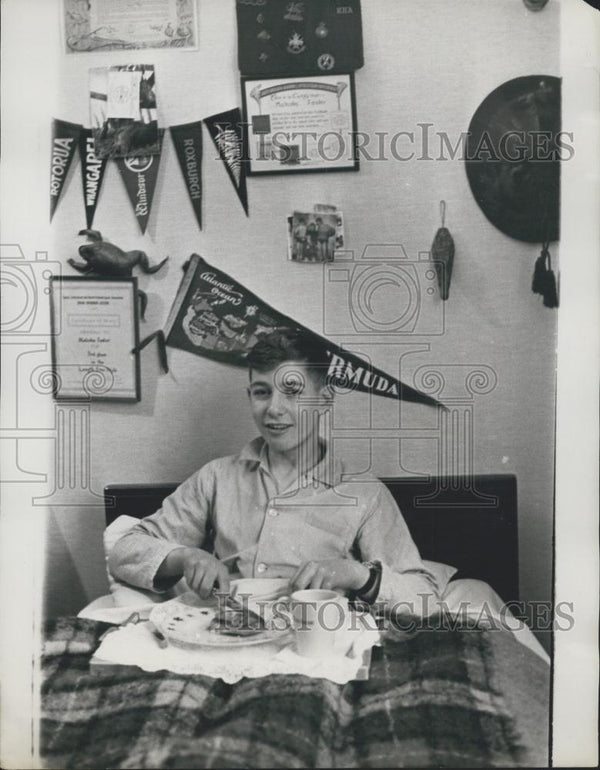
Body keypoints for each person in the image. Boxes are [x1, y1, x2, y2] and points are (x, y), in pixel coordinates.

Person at [108, 328, 441, 613]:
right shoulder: (217, 478)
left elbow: (425, 598)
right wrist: (184, 557)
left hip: (317, 643)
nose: (274, 409)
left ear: (325, 400)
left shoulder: (365, 493)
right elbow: (124, 551)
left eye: (293, 392)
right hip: (228, 637)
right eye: (262, 392)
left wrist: (357, 575)